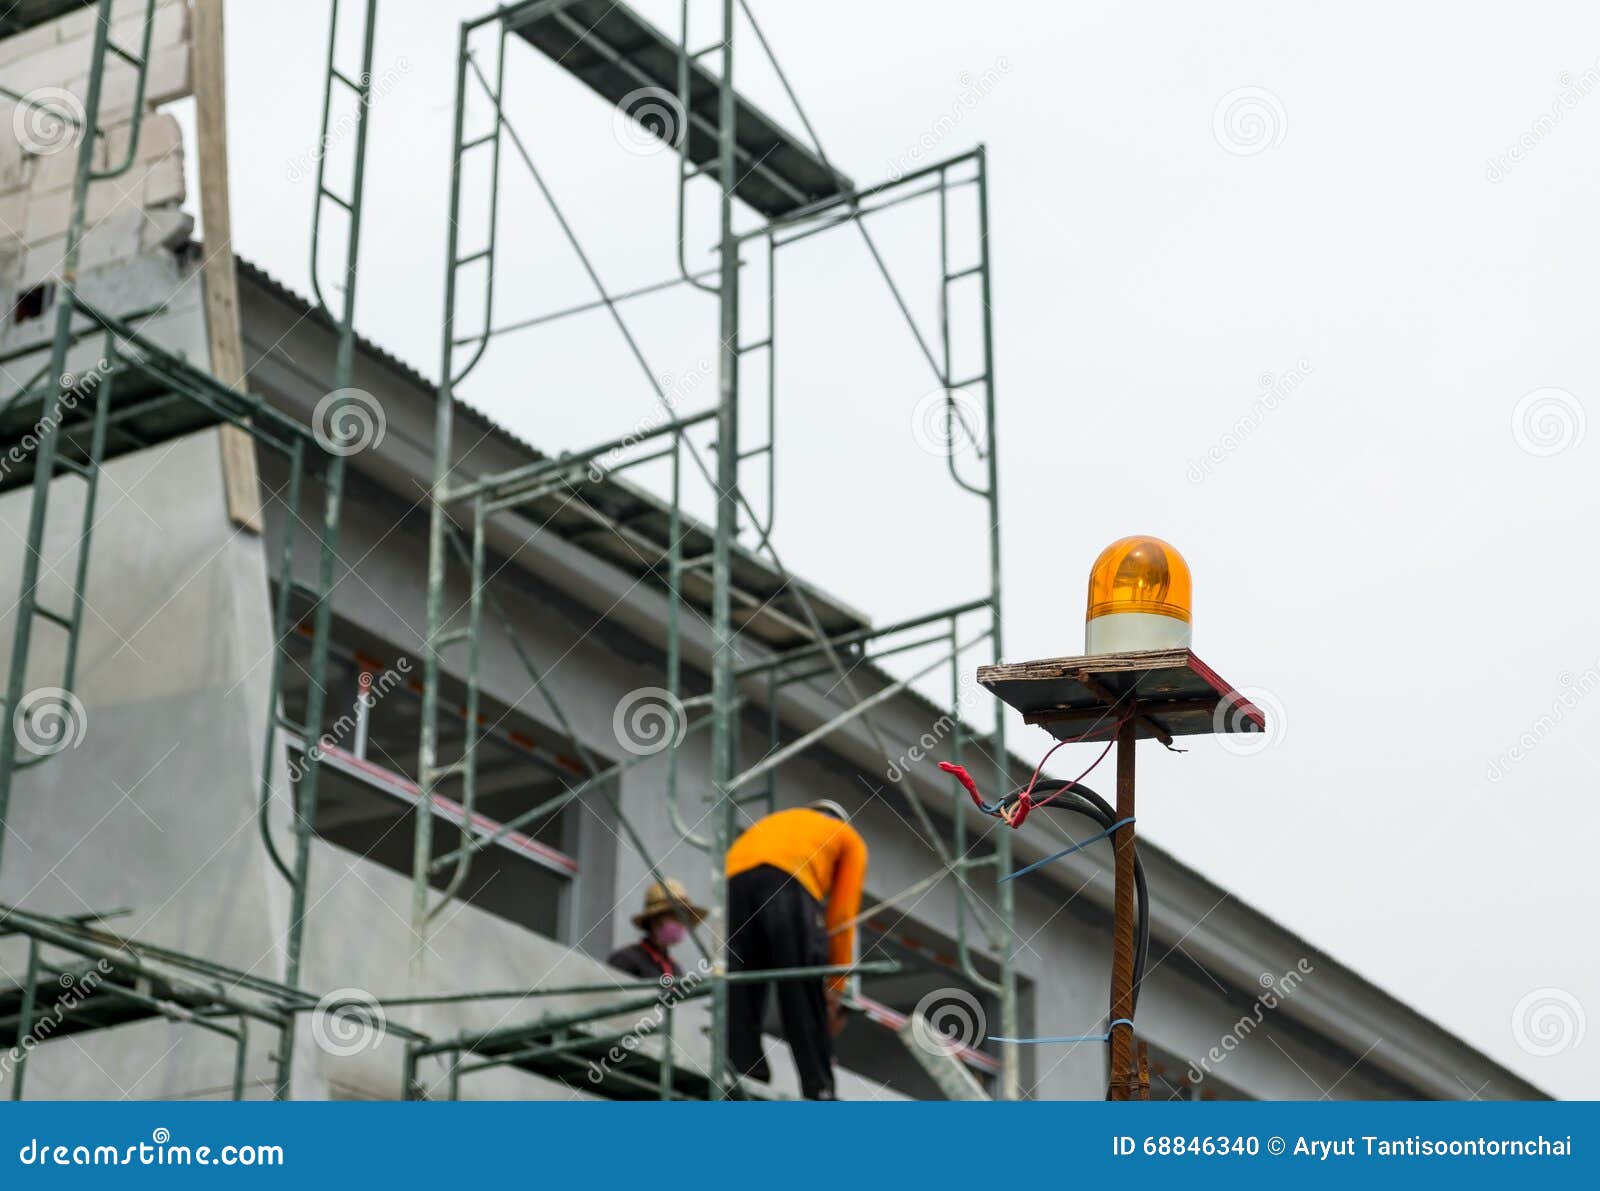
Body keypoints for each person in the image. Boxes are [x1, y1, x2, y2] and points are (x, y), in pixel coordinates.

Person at [724, 799, 867, 1101]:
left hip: (736, 876)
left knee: (743, 984)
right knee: (801, 988)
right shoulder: (849, 838)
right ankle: (820, 1090)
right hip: (790, 882)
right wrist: (834, 986)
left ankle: (745, 1072)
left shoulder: (780, 822)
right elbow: (841, 919)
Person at [607, 877, 706, 984]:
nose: (680, 923)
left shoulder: (675, 969)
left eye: (683, 918)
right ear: (654, 919)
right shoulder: (625, 960)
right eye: (674, 916)